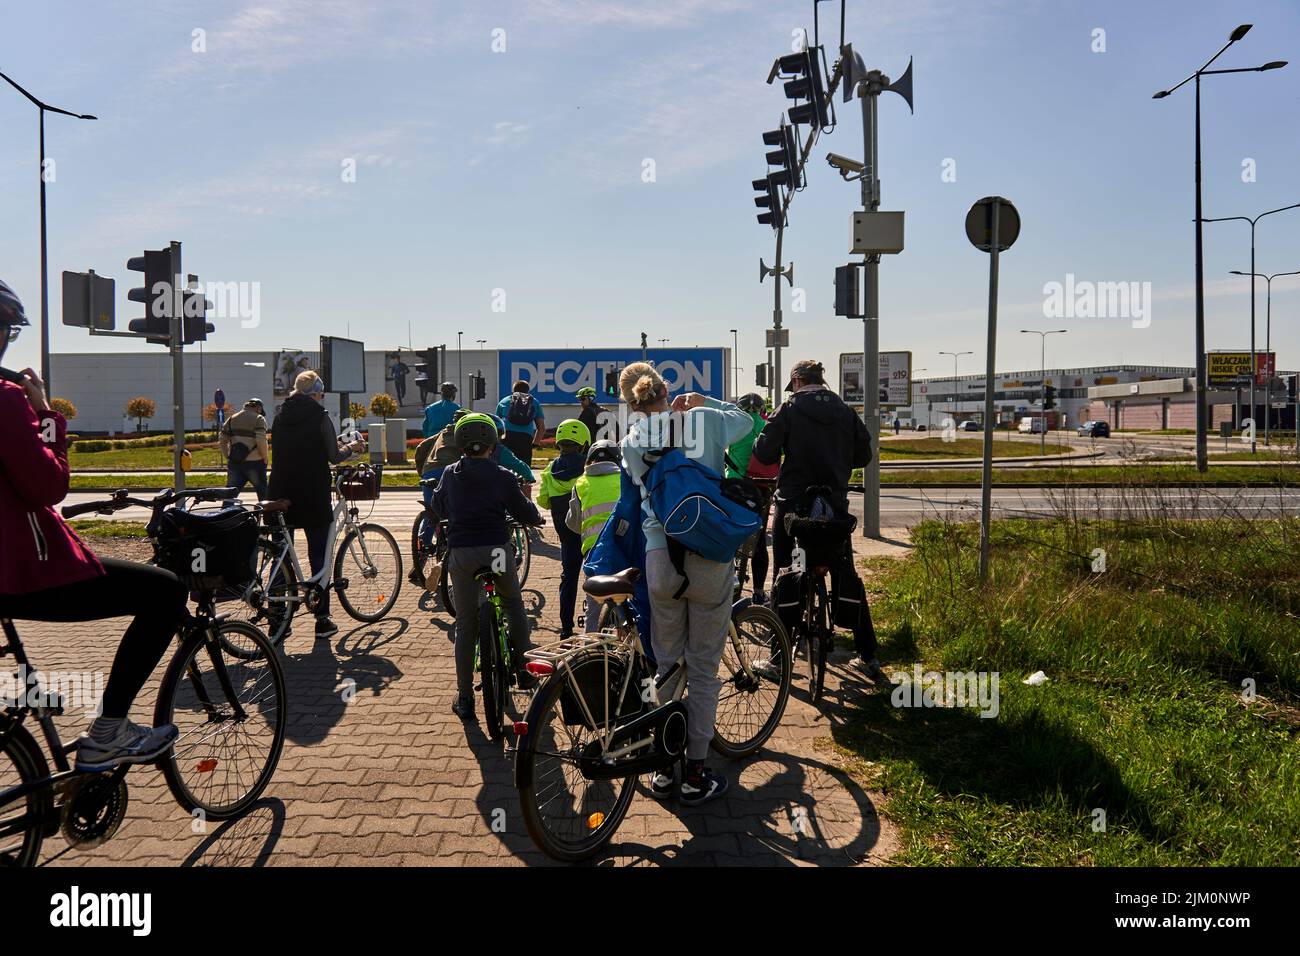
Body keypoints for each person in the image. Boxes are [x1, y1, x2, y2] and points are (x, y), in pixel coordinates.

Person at [0, 279, 183, 771]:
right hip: (18, 572)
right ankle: (108, 732)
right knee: (164, 593)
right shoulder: (5, 399)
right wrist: (45, 414)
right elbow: (48, 486)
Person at [620, 362, 750, 805]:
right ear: (665, 388)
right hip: (711, 553)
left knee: (667, 664)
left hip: (661, 560)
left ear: (630, 402)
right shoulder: (704, 419)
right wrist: (703, 401)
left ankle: (662, 769)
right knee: (704, 666)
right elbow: (748, 422)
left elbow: (640, 495)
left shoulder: (631, 442)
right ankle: (696, 773)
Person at [752, 358, 887, 680]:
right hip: (832, 505)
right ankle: (868, 656)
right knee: (845, 571)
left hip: (794, 507)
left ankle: (777, 658)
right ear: (821, 380)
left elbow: (765, 454)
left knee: (785, 571)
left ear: (797, 381)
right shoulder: (844, 411)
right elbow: (864, 454)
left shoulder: (789, 410)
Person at [431, 413, 543, 721]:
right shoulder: (503, 475)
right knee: (512, 604)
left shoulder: (450, 475)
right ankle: (524, 670)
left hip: (462, 554)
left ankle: (465, 698)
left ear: (460, 445)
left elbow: (438, 506)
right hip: (495, 550)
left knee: (466, 623)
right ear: (493, 445)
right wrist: (535, 517)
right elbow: (524, 510)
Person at [267, 370, 366, 640]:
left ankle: (277, 620)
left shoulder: (279, 416)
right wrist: (352, 448)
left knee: (280, 555)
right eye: (321, 393)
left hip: (279, 492)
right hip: (311, 492)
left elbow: (292, 449)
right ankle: (322, 619)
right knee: (318, 555)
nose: (323, 398)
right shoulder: (320, 417)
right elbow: (333, 457)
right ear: (315, 393)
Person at [410, 410, 534, 585]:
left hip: (429, 473)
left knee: (433, 514)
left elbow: (421, 448)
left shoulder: (443, 434)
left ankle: (422, 557)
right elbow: (521, 499)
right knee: (511, 599)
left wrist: (422, 471)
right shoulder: (499, 468)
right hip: (491, 546)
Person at [536, 419, 590, 638]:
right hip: (589, 531)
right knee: (594, 576)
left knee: (568, 578)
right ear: (583, 443)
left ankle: (566, 629)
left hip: (567, 535)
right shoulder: (588, 466)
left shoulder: (550, 470)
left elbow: (543, 501)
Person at [725, 393, 776, 606]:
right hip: (762, 488)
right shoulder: (767, 425)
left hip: (735, 487)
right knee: (760, 540)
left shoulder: (735, 425)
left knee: (727, 536)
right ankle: (757, 592)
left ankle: (725, 587)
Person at [565, 440, 622, 629]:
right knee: (627, 601)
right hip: (622, 547)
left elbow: (573, 523)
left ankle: (590, 650)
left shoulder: (580, 483)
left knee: (594, 607)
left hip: (593, 551)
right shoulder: (626, 479)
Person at [219, 397, 270, 499]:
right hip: (255, 463)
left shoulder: (231, 419)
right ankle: (265, 514)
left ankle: (227, 513)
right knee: (263, 494)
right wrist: (265, 457)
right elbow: (261, 440)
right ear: (258, 408)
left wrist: (228, 456)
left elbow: (222, 440)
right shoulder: (258, 419)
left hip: (235, 463)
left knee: (230, 495)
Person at [496, 380, 544, 467]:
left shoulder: (504, 401)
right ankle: (524, 480)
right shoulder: (534, 402)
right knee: (524, 467)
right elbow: (541, 428)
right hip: (525, 439)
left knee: (504, 467)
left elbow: (497, 425)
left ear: (513, 390)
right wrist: (535, 444)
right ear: (528, 391)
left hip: (506, 438)